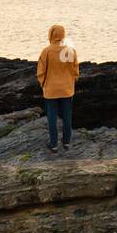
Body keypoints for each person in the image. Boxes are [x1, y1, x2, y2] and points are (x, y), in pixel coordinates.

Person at [36, 23, 78, 152]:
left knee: (52, 118)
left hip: (51, 90)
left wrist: (43, 84)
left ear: (51, 35)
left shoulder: (46, 51)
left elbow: (40, 72)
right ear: (63, 35)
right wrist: (70, 83)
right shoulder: (70, 51)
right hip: (66, 89)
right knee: (67, 117)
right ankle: (66, 142)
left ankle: (53, 144)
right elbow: (75, 71)